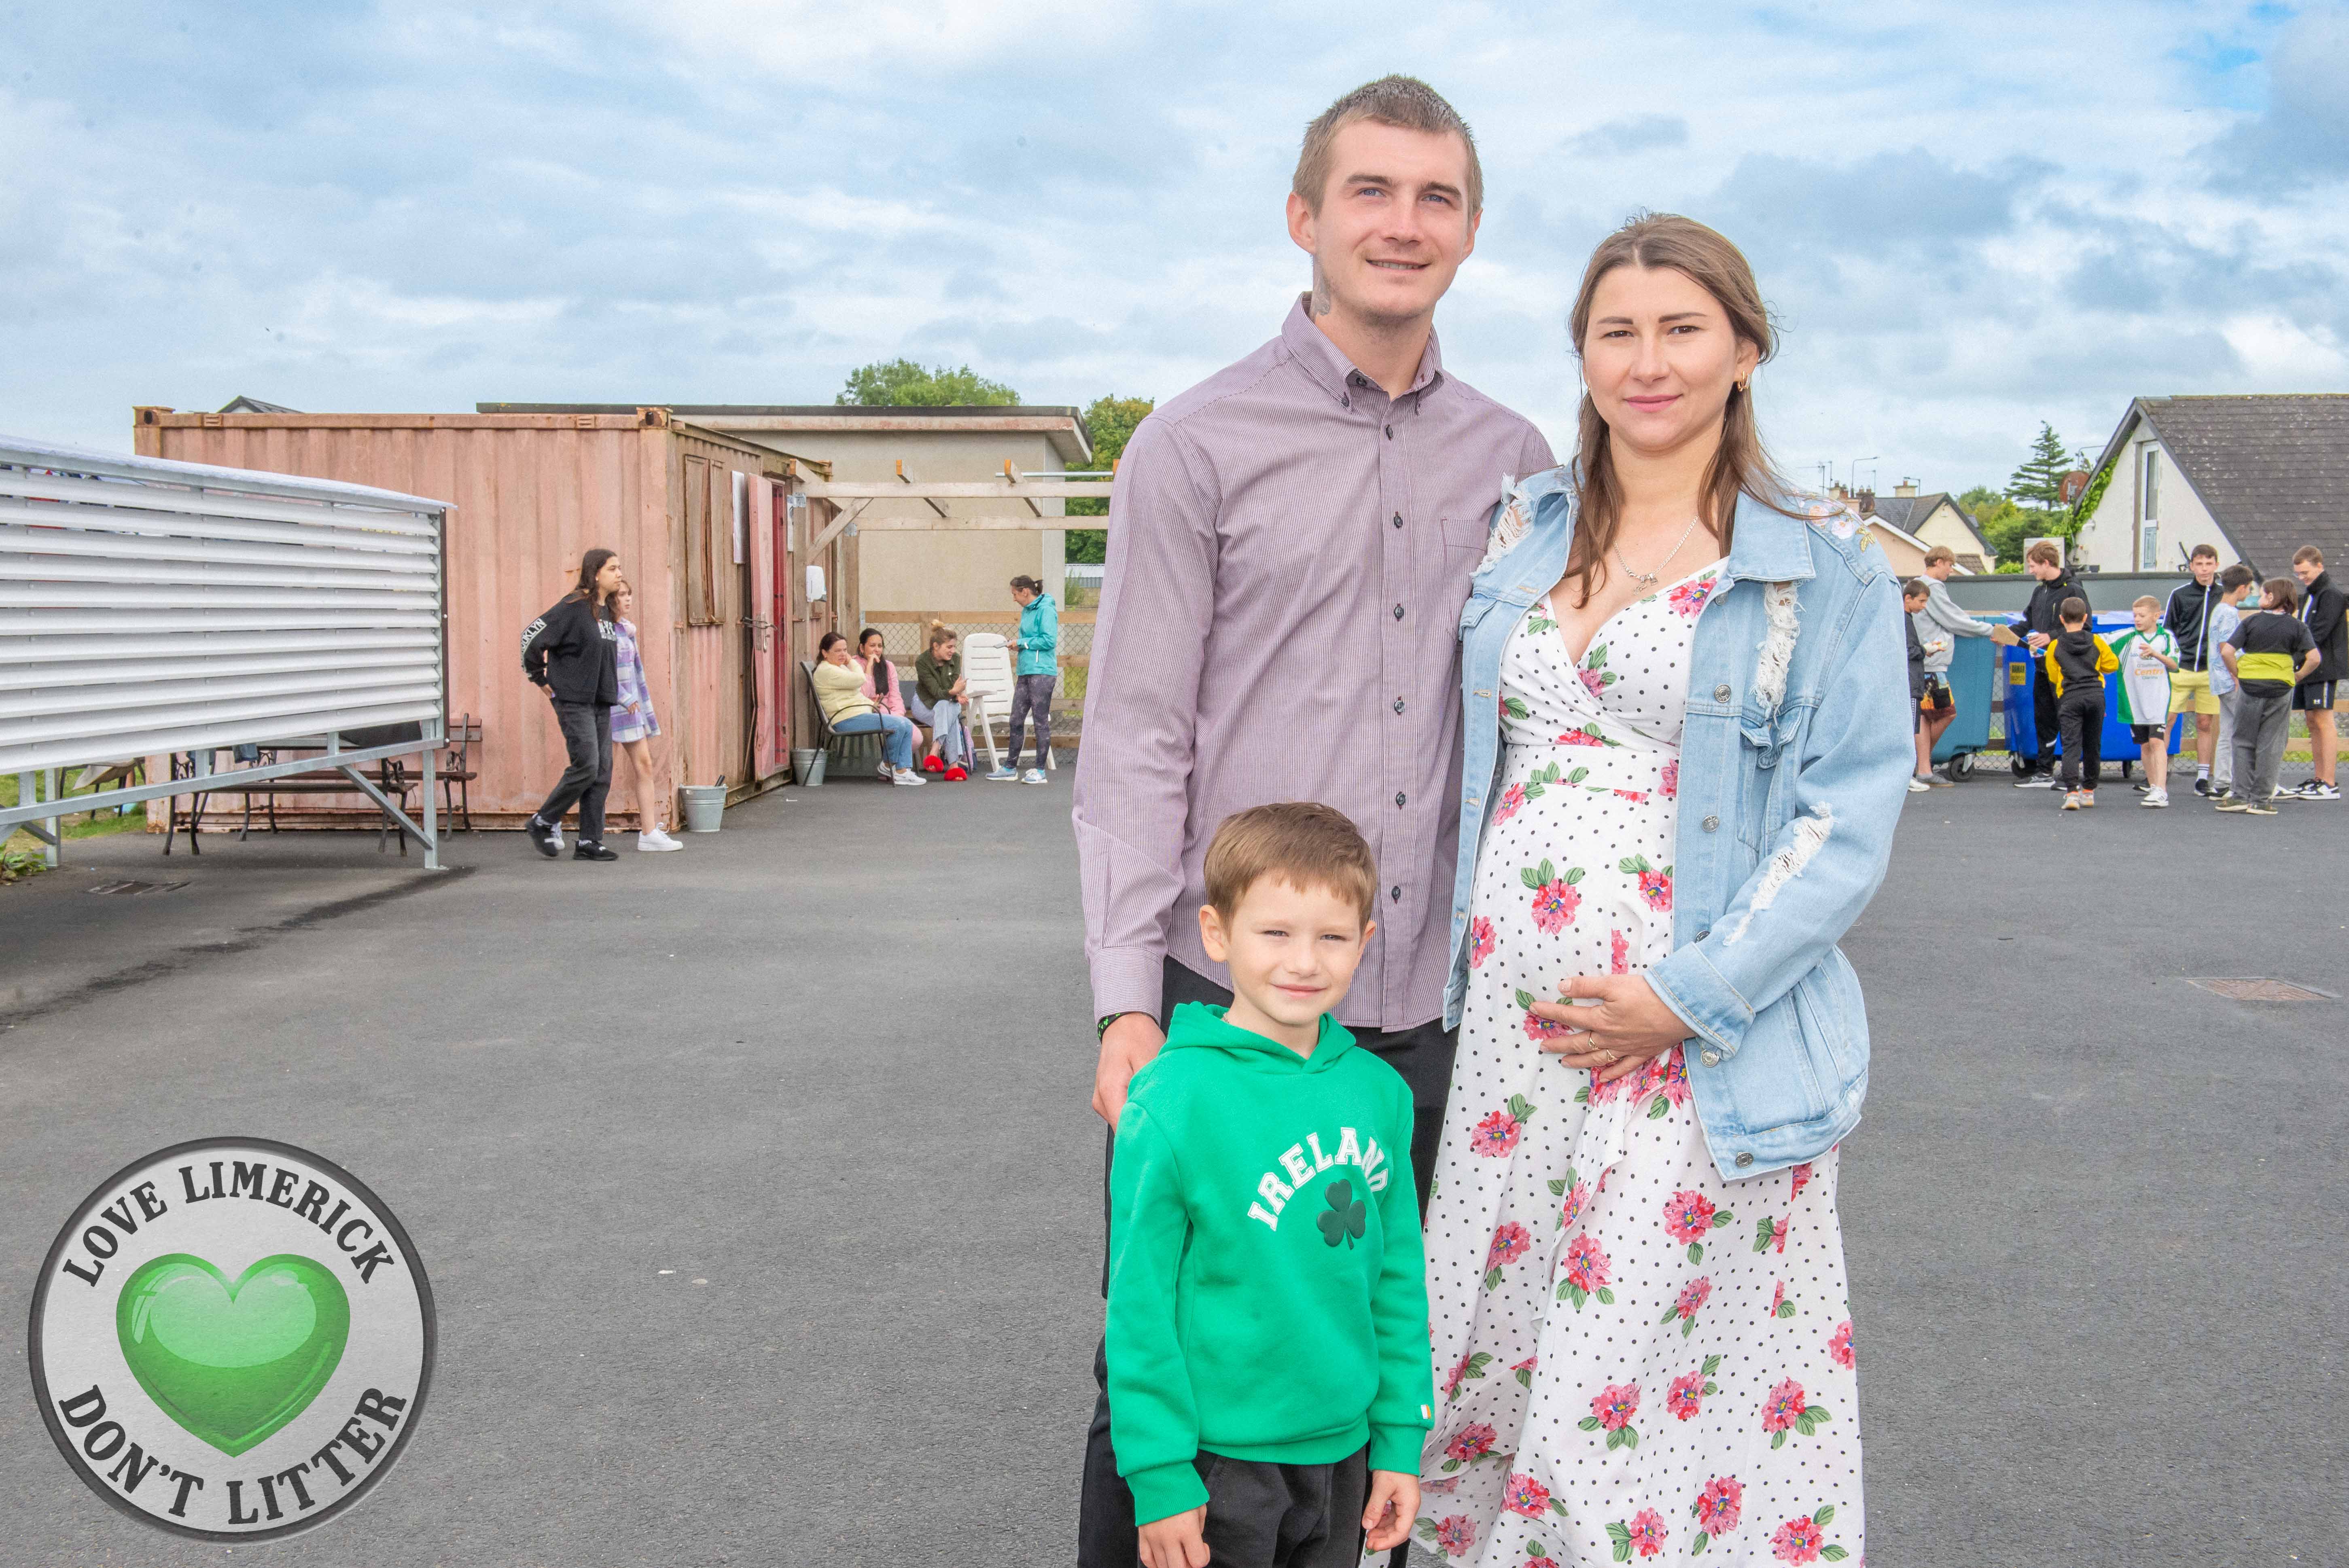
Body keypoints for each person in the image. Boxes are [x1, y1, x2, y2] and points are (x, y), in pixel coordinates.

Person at [1073, 74, 1554, 1568]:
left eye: (1433, 197)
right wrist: (1122, 1000)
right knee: (1167, 1349)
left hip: (1430, 1003)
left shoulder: (1520, 461)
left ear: (1468, 230)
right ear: (1302, 216)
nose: (1399, 225)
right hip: (1227, 1002)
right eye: (1368, 191)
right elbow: (1136, 736)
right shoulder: (1195, 443)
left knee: (1370, 1358)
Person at [1423, 212, 1905, 1567]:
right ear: (1581, 355)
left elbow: (1847, 819)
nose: (1648, 361)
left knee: (1630, 1389)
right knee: (1496, 1358)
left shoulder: (1824, 565)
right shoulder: (1520, 531)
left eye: (1681, 328)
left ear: (1744, 350)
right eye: (1615, 330)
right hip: (1513, 1041)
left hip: (1686, 1039)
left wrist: (1681, 998)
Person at [1107, 803, 1427, 1568]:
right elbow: (1139, 1303)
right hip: (1221, 1461)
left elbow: (1397, 1281)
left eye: (1332, 937)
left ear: (1364, 945)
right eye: (1275, 932)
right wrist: (1158, 1474)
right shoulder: (1175, 1098)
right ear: (1217, 935)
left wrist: (1400, 1441)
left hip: (1344, 1452)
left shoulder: (1379, 1093)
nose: (1304, 962)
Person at [520, 548, 624, 861]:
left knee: (602, 772)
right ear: (595, 575)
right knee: (587, 765)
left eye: (620, 569)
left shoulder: (605, 611)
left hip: (600, 701)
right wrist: (539, 678)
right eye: (613, 569)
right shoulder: (573, 607)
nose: (619, 574)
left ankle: (590, 842)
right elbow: (530, 637)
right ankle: (544, 820)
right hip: (573, 701)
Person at [2216, 578, 2319, 815]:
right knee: (2271, 744)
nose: (2259, 598)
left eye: (2262, 595)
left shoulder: (2251, 622)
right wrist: (2297, 676)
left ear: (2272, 597)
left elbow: (2228, 651)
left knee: (2243, 740)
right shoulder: (2298, 627)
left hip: (2251, 686)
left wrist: (2239, 673)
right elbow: (2314, 658)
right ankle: (2261, 800)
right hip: (2280, 688)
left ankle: (2240, 795)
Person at [603, 584, 683, 851]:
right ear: (608, 599)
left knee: (645, 765)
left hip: (630, 710)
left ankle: (648, 832)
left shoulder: (626, 630)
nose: (627, 599)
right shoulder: (602, 631)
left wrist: (638, 704)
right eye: (621, 595)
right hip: (608, 706)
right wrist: (623, 698)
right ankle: (554, 819)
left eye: (629, 594)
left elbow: (635, 673)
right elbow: (601, 673)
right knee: (596, 770)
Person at [2008, 540, 2088, 788]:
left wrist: (2051, 636)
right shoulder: (2039, 591)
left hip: (2067, 670)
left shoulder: (2073, 589)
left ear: (2046, 563)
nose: (2030, 570)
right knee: (2044, 719)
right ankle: (2044, 772)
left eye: (2033, 566)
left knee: (2068, 720)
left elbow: (2085, 628)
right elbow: (2027, 622)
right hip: (2042, 666)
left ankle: (2069, 776)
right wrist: (2004, 633)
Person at [1912, 545, 1991, 781]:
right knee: (1947, 713)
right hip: (1933, 665)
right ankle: (1922, 763)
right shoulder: (1933, 588)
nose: (1951, 570)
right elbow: (1955, 620)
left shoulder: (1917, 585)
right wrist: (1989, 630)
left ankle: (1923, 767)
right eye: (1950, 565)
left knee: (1925, 717)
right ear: (1938, 562)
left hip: (1923, 663)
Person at [810, 631, 925, 786]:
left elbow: (855, 695)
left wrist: (872, 704)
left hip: (856, 714)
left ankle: (901, 770)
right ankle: (889, 766)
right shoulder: (827, 670)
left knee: (903, 723)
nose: (843, 654)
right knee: (898, 725)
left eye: (845, 650)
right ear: (825, 653)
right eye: (838, 651)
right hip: (845, 719)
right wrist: (851, 662)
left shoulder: (838, 668)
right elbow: (860, 680)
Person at [2162, 544, 2226, 795]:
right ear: (2191, 567)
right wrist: (2174, 658)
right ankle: (2159, 773)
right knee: (2167, 719)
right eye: (2199, 564)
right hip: (2182, 668)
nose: (2204, 569)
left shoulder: (2224, 595)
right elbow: (2168, 631)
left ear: (2216, 566)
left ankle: (2202, 778)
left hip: (2210, 670)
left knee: (2205, 723)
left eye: (2209, 564)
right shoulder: (2180, 595)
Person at [2045, 597, 2116, 810]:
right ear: (2086, 618)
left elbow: (2053, 675)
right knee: (2093, 744)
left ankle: (2072, 792)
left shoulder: (2055, 646)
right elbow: (2112, 665)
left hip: (2070, 697)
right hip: (2095, 695)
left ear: (2061, 619)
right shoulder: (2097, 642)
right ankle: (2089, 791)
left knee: (2071, 745)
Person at [2108, 595, 2179, 808]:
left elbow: (2174, 665)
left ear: (2156, 616)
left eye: (2142, 615)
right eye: (2135, 616)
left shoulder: (2166, 637)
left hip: (2158, 700)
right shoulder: (2127, 637)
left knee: (2157, 742)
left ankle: (2161, 790)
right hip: (2135, 702)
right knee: (2145, 745)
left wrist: (2155, 654)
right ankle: (2153, 785)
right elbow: (2098, 643)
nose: (2137, 620)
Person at [989, 576, 1060, 784]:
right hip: (1026, 671)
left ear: (1025, 592)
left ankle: (1040, 771)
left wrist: (1022, 643)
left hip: (1043, 673)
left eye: (1015, 594)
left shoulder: (1047, 609)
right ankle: (1010, 768)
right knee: (1016, 719)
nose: (1014, 599)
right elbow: (1031, 640)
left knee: (1040, 721)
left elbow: (1049, 640)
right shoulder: (1027, 611)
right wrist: (1019, 644)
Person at [2288, 546, 2345, 801]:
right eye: (2299, 574)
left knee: (2324, 721)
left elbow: (2318, 634)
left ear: (2319, 566)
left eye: (2306, 572)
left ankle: (2330, 783)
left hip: (2323, 667)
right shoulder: (2310, 595)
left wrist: (2296, 657)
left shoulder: (2331, 594)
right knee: (2312, 722)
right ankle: (2319, 778)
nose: (2303, 578)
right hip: (2308, 667)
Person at [2207, 564, 2256, 794]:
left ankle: (2222, 782)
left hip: (2219, 680)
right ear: (2241, 588)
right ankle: (2245, 782)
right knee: (2245, 732)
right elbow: (2227, 648)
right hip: (2229, 679)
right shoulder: (2228, 613)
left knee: (2227, 732)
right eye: (2249, 589)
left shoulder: (2218, 609)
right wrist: (2236, 675)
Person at [912, 622, 971, 779]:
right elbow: (936, 692)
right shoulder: (922, 661)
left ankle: (935, 751)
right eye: (949, 647)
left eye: (954, 647)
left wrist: (956, 694)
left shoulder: (956, 659)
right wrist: (954, 693)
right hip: (924, 704)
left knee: (946, 708)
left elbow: (949, 693)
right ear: (936, 646)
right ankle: (954, 766)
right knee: (948, 712)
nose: (953, 651)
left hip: (947, 704)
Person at [854, 627, 916, 778]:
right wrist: (869, 666)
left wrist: (898, 716)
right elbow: (864, 694)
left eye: (880, 646)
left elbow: (896, 696)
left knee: (916, 737)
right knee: (901, 728)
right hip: (869, 710)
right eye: (872, 645)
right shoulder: (854, 664)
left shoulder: (888, 666)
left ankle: (892, 769)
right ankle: (894, 769)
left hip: (889, 711)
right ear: (862, 647)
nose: (877, 650)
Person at [1903, 578, 1943, 790]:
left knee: (1910, 728)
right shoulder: (1905, 619)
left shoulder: (1903, 617)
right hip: (1910, 682)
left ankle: (1906, 775)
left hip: (1909, 682)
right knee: (1909, 730)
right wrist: (1927, 649)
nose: (1924, 606)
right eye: (1922, 601)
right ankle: (1906, 777)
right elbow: (1910, 651)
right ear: (1908, 599)